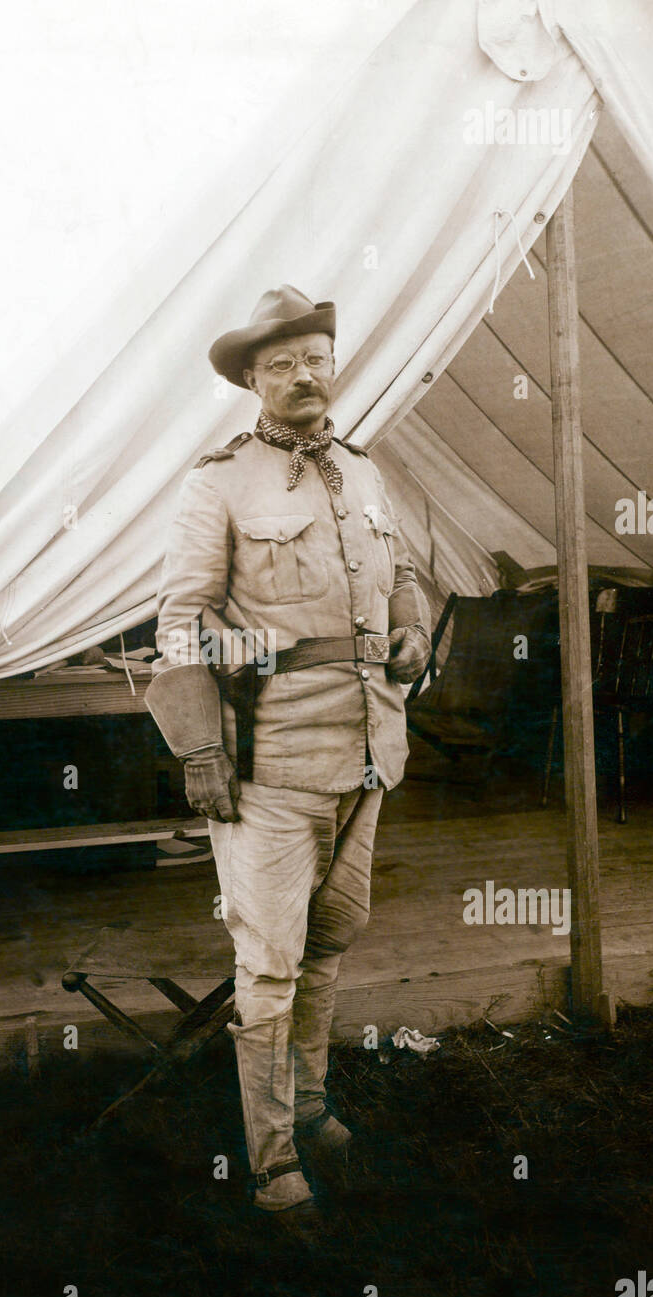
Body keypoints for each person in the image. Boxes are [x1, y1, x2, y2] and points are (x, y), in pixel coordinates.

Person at [145, 285, 431, 1224]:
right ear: (252, 383)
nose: (303, 375)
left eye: (315, 356)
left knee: (329, 946)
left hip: (368, 754)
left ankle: (310, 1109)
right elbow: (182, 623)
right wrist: (200, 749)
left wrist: (413, 629)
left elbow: (409, 576)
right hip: (269, 764)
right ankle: (271, 1166)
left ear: (331, 363)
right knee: (269, 963)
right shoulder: (219, 480)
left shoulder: (367, 470)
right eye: (281, 365)